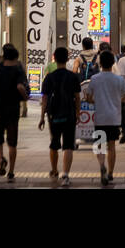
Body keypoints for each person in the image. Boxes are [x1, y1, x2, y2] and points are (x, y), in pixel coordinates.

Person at [82, 50, 125, 186]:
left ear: (100, 63)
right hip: (114, 118)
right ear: (113, 63)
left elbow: (89, 98)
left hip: (100, 118)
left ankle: (102, 164)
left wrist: (95, 100)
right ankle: (110, 173)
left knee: (99, 145)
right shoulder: (119, 79)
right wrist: (117, 99)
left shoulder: (95, 79)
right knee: (112, 146)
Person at [0, 44, 29, 183]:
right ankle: (11, 172)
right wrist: (24, 95)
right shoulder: (18, 71)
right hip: (13, 110)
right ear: (15, 58)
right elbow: (22, 89)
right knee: (12, 142)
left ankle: (1, 158)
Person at [39, 46, 81, 188]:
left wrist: (41, 117)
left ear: (54, 59)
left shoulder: (49, 77)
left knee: (54, 143)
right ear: (67, 59)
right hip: (69, 113)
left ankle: (55, 170)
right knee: (68, 145)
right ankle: (66, 174)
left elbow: (44, 99)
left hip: (53, 114)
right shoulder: (73, 77)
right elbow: (77, 97)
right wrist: (77, 113)